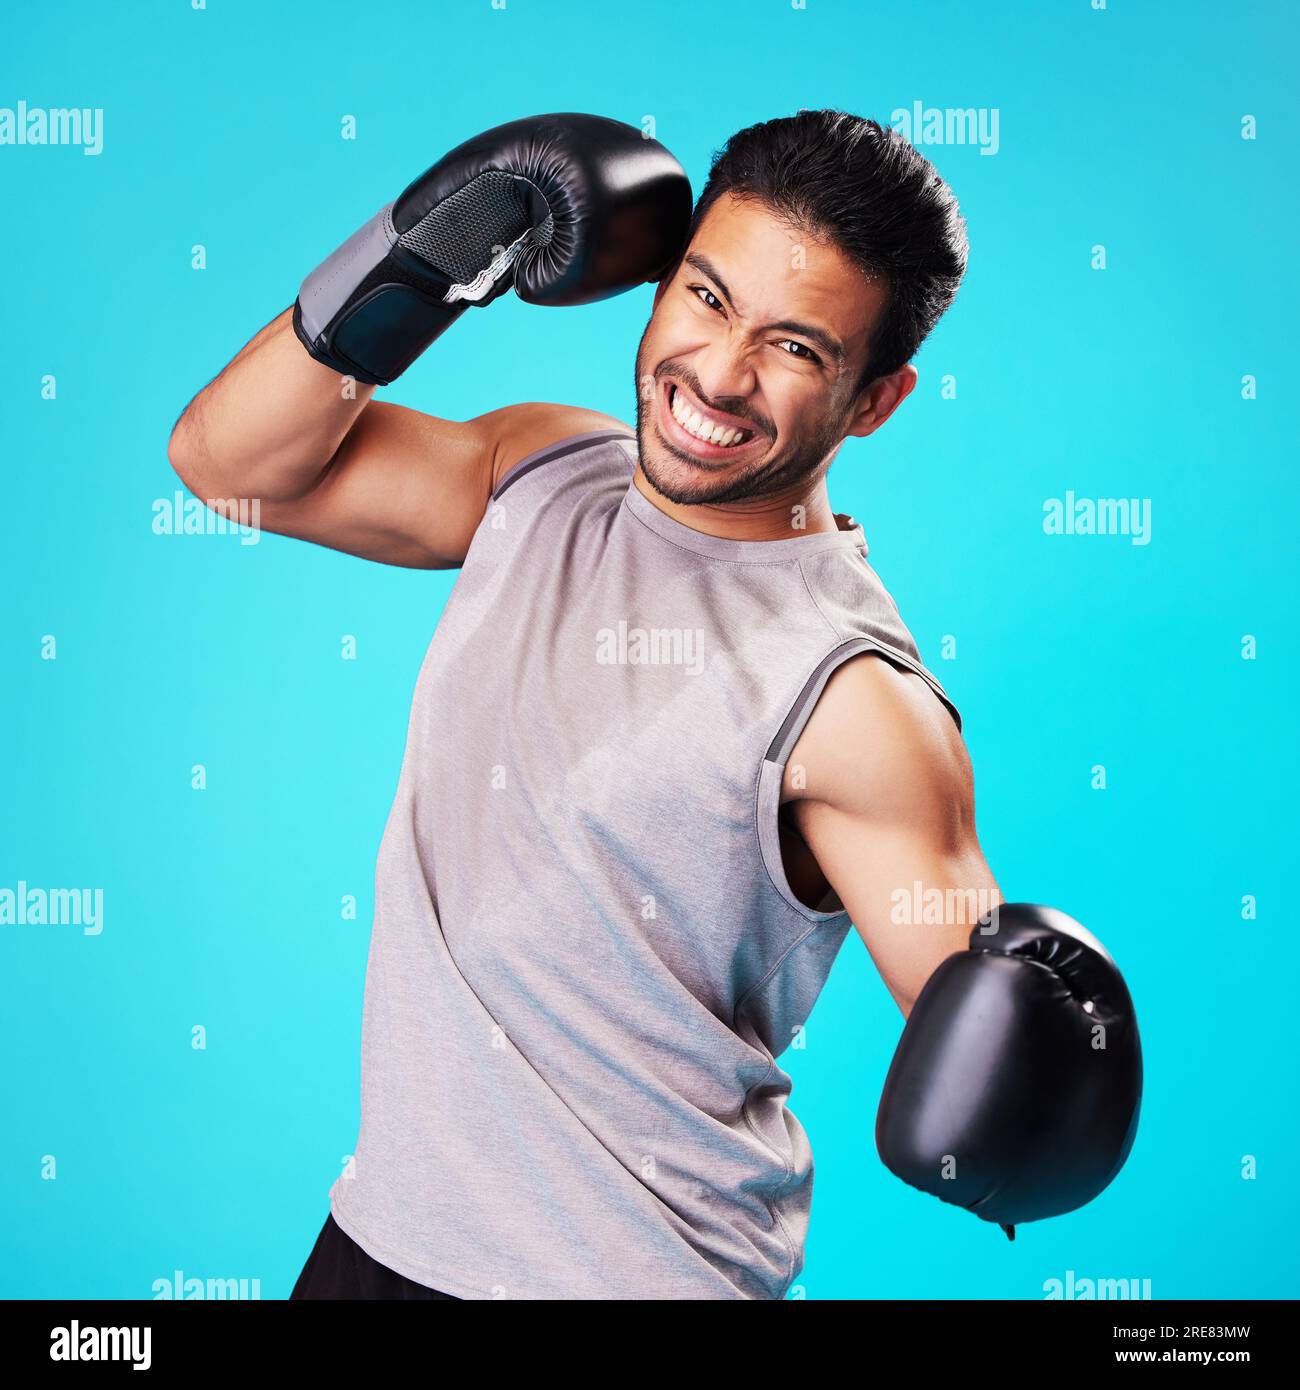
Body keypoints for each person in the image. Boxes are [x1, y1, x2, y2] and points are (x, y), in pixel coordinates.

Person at [168, 110, 1139, 1301]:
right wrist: (419, 257)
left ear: (876, 399)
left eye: (794, 348)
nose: (719, 376)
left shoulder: (851, 699)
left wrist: (1050, 1064)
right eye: (707, 297)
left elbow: (985, 1023)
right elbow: (228, 465)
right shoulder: (536, 476)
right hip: (384, 1241)